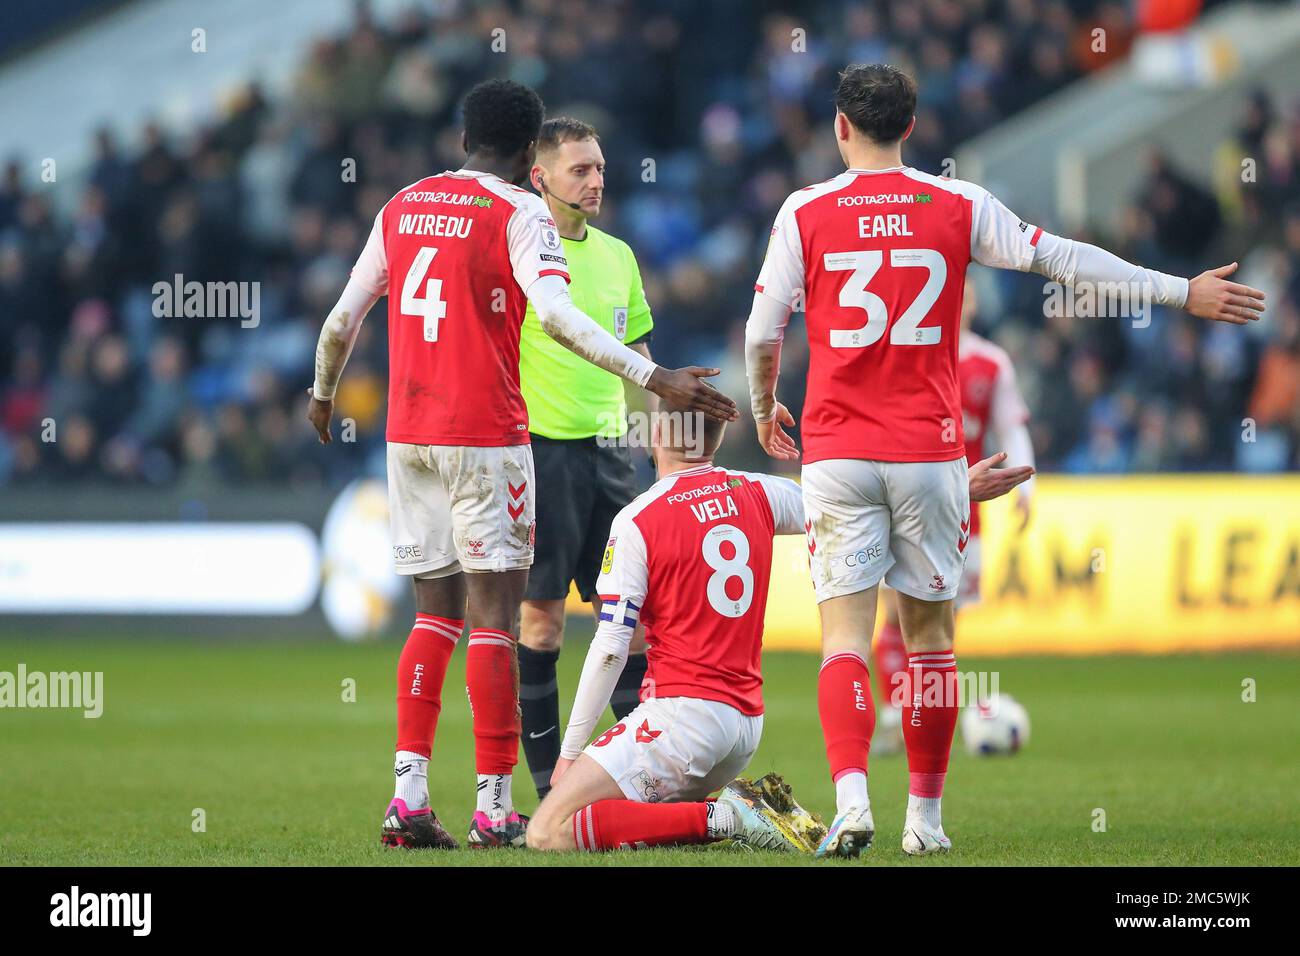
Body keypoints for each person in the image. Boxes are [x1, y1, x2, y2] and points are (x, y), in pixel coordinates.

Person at [744, 63, 1264, 857]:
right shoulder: (956, 204)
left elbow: (761, 330)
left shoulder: (804, 210)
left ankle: (852, 806)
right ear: (912, 128)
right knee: (930, 641)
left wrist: (762, 403)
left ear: (840, 128)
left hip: (838, 450)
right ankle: (926, 822)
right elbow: (1065, 261)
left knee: (844, 642)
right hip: (930, 453)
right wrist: (1178, 290)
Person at [306, 79, 738, 850]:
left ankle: (407, 799)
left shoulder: (402, 204)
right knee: (499, 622)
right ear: (526, 150)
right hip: (488, 436)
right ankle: (494, 805)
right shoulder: (518, 212)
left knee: (435, 615)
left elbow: (344, 316)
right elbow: (559, 316)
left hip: (406, 435)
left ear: (466, 134)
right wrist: (655, 377)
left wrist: (321, 394)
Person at [524, 396, 1035, 854]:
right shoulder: (759, 491)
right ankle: (718, 813)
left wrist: (569, 754)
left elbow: (612, 646)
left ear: (657, 435)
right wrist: (955, 488)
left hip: (682, 721)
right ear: (719, 437)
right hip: (743, 728)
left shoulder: (637, 519)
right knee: (625, 818)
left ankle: (728, 815)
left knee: (548, 830)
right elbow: (861, 513)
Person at [515, 117, 655, 800]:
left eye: (600, 168)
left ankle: (648, 779)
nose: (596, 180)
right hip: (541, 456)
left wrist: (670, 436)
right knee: (540, 621)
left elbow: (643, 363)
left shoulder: (619, 256)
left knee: (627, 619)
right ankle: (548, 794)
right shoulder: (519, 255)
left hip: (612, 458)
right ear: (539, 176)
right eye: (580, 170)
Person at [873, 274, 1034, 754]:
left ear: (973, 302)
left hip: (966, 512)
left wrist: (1030, 483)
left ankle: (922, 716)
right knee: (892, 614)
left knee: (942, 625)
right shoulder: (907, 353)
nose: (958, 301)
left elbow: (1011, 425)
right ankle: (894, 714)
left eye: (966, 293)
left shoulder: (991, 362)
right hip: (907, 505)